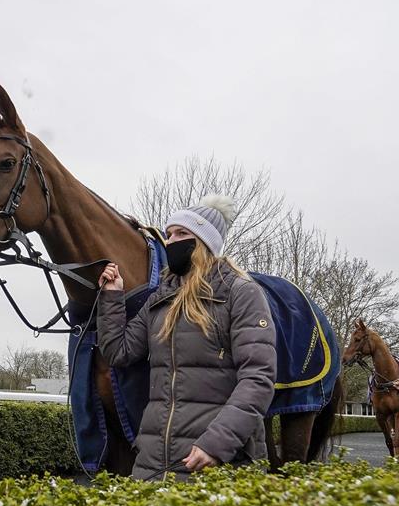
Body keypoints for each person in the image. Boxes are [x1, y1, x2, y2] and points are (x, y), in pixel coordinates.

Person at [96, 196, 276, 481]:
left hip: (215, 462)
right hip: (153, 463)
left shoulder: (241, 293)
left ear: (205, 242)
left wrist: (216, 445)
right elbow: (119, 352)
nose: (170, 242)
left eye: (182, 234)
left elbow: (258, 379)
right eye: (168, 235)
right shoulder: (160, 297)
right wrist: (112, 296)